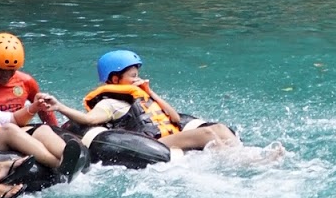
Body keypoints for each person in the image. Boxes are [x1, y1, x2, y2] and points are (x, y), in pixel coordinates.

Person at [49, 50, 240, 151]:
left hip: (169, 135)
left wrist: (151, 92)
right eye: (132, 76)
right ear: (115, 79)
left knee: (220, 128)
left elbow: (173, 118)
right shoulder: (109, 103)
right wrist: (59, 107)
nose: (137, 79)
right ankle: (239, 162)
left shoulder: (142, 95)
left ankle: (245, 155)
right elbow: (89, 120)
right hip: (153, 144)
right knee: (207, 133)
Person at [0, 32, 61, 128]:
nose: (6, 75)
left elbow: (44, 112)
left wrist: (57, 131)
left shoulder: (26, 82)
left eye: (11, 70)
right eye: (0, 70)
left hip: (19, 131)